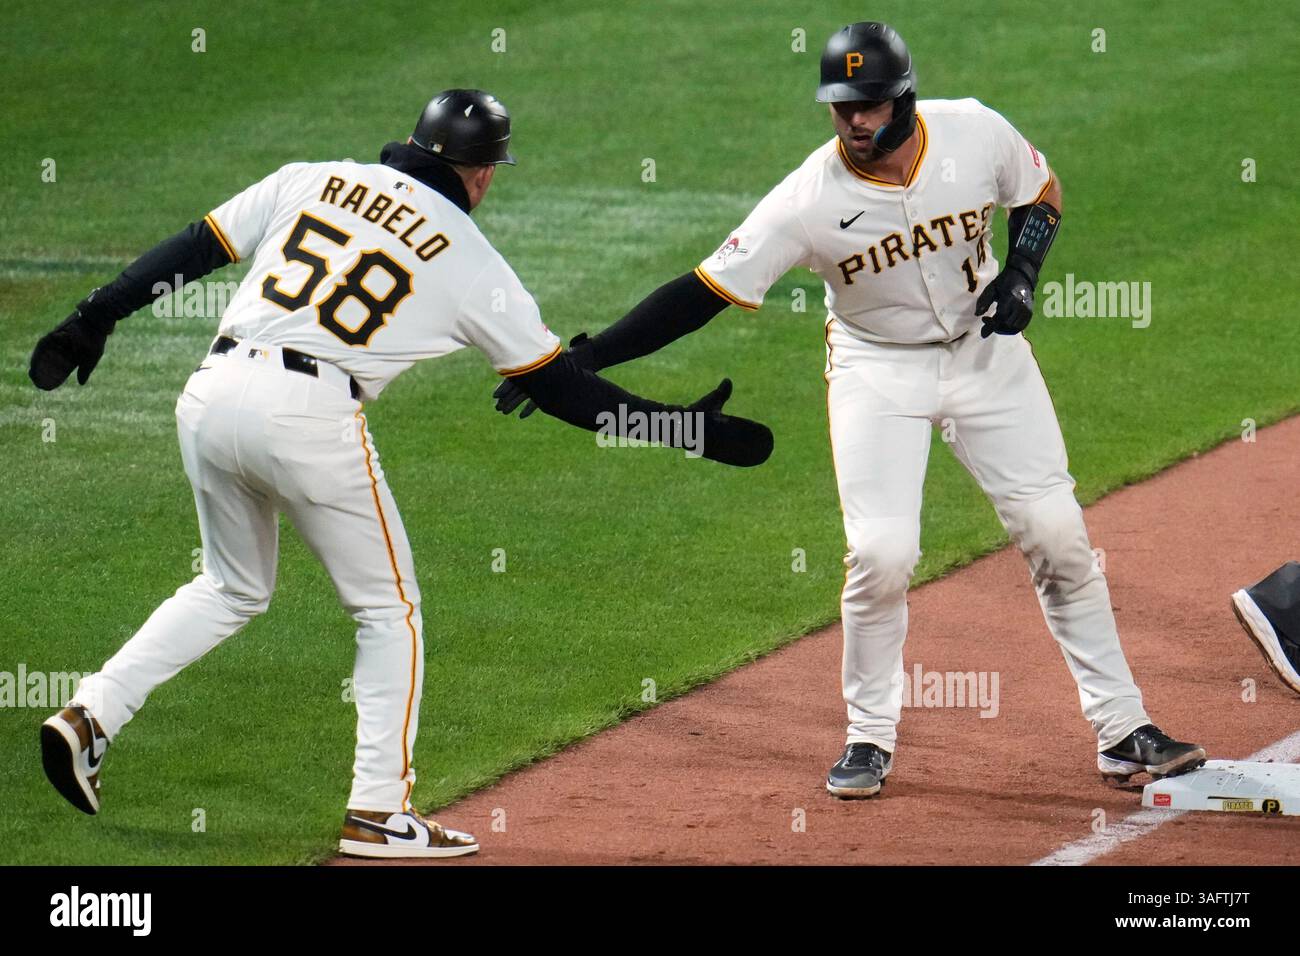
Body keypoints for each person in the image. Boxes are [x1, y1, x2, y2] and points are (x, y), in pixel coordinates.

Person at [29, 88, 772, 858]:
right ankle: (379, 812)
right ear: (483, 174)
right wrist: (679, 428)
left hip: (211, 394)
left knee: (231, 586)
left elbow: (194, 246)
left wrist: (93, 317)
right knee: (389, 611)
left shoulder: (310, 178)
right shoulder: (471, 259)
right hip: (308, 415)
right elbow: (561, 390)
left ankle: (91, 713)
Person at [493, 24, 1206, 798]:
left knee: (1059, 535)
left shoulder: (973, 130)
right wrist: (582, 361)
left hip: (986, 359)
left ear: (903, 97)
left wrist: (1025, 271)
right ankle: (868, 738)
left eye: (869, 106)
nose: (855, 122)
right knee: (882, 555)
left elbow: (1041, 193)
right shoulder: (809, 198)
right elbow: (699, 294)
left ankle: (1122, 730)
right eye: (842, 107)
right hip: (876, 372)